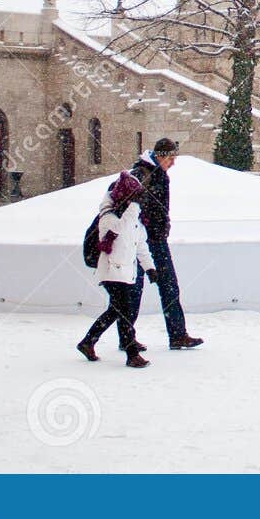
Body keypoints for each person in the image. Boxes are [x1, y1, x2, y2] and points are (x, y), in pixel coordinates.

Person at [78, 171, 159, 368]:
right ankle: (131, 353)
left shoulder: (134, 220)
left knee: (116, 311)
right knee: (124, 311)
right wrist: (134, 207)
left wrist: (150, 268)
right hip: (111, 271)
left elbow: (140, 246)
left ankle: (88, 342)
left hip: (126, 272)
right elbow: (117, 229)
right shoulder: (107, 217)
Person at [133, 138, 204, 350]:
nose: (173, 163)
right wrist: (153, 226)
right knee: (142, 287)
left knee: (152, 287)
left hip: (152, 239)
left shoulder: (154, 173)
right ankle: (172, 335)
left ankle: (176, 334)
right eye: (171, 158)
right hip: (144, 240)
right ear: (161, 156)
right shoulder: (144, 174)